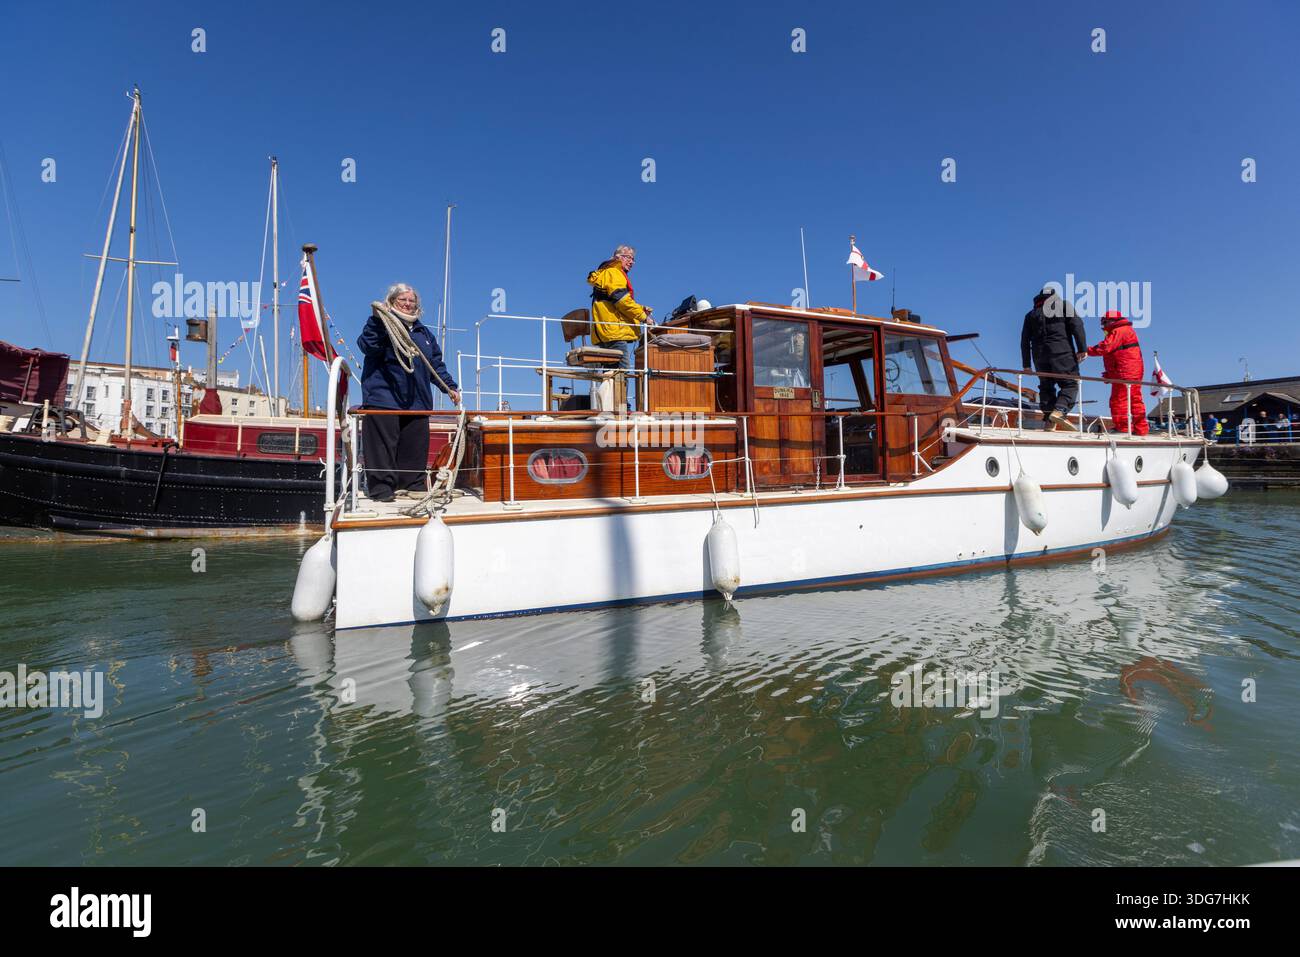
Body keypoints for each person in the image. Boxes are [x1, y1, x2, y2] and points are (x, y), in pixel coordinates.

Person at [356, 283, 460, 502]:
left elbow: (435, 366)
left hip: (417, 400)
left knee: (415, 445)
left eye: (411, 301)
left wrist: (449, 387)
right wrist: (376, 320)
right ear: (392, 302)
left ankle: (412, 484)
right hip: (384, 398)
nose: (407, 304)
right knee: (382, 446)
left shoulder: (424, 334)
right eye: (402, 300)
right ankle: (382, 489)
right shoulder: (381, 325)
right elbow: (368, 346)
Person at [587, 245, 652, 411]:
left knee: (610, 373)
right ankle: (621, 408)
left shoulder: (606, 274)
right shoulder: (615, 273)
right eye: (627, 257)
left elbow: (614, 302)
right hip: (615, 332)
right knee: (621, 373)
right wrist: (644, 317)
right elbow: (622, 302)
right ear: (617, 257)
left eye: (633, 258)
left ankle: (609, 408)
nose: (631, 261)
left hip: (605, 332)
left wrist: (640, 308)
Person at [1021, 287, 1086, 431]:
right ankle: (1060, 411)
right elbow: (1077, 325)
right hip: (1062, 352)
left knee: (1046, 386)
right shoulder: (1063, 306)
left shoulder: (1030, 315)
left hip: (1039, 357)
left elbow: (1024, 341)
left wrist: (1026, 365)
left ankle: (1049, 422)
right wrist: (1082, 349)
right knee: (1070, 383)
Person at [1081, 309, 1148, 436]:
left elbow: (1105, 347)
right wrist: (1110, 374)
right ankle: (1141, 429)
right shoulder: (1126, 330)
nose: (1103, 327)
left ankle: (1122, 428)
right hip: (1132, 372)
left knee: (1118, 400)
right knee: (1135, 400)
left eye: (1104, 323)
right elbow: (1119, 354)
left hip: (1124, 372)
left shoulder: (1118, 331)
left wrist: (1085, 350)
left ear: (1111, 321)